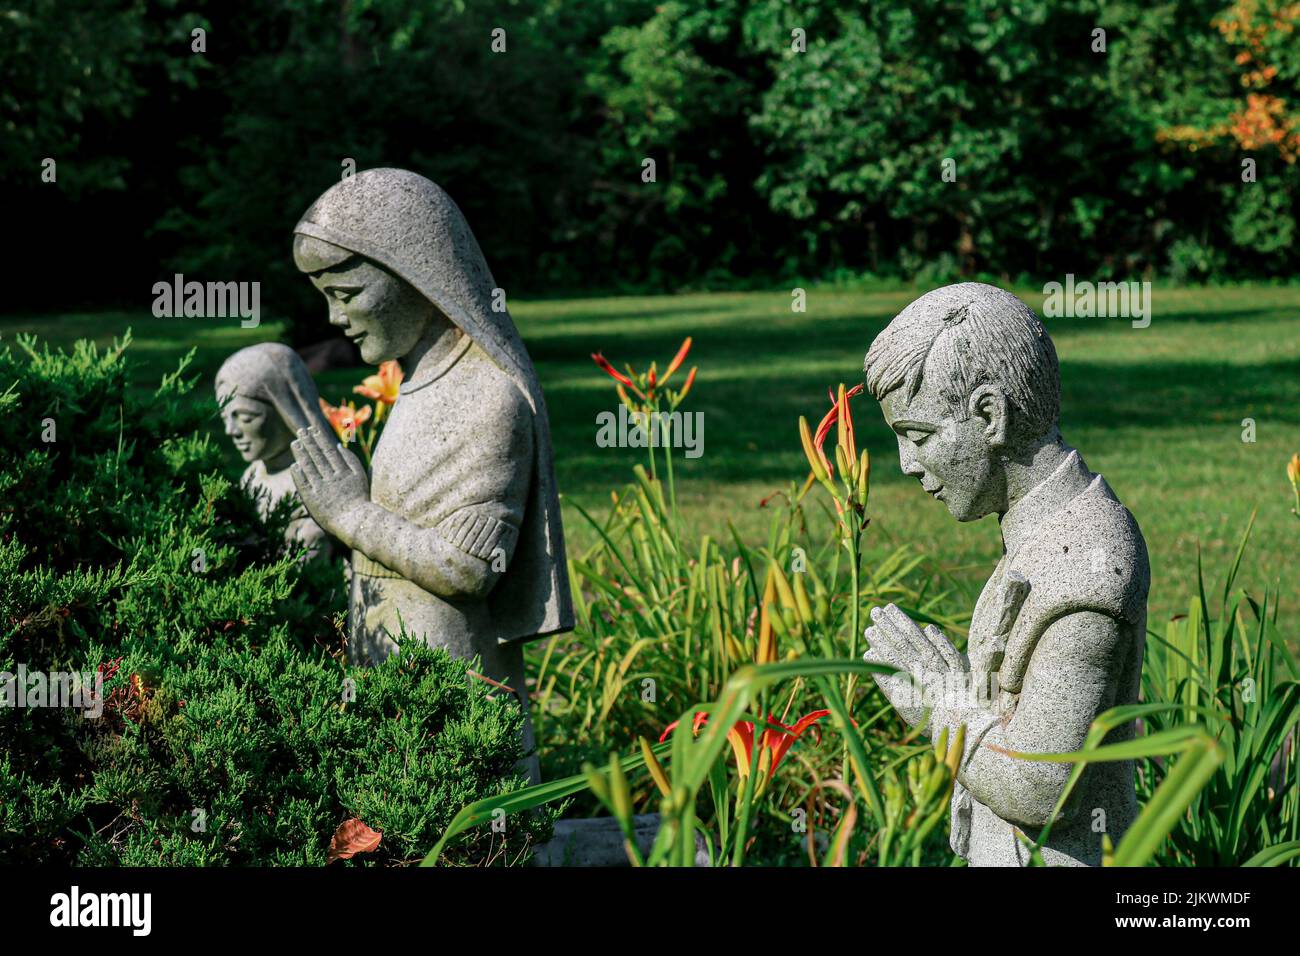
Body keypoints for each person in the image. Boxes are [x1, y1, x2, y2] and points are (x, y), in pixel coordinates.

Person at [286, 169, 573, 777]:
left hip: (451, 698)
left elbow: (470, 569)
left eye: (347, 292)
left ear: (417, 274)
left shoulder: (489, 397)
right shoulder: (417, 384)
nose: (335, 318)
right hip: (390, 672)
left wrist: (350, 515)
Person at [861, 282, 1148, 866]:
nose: (906, 465)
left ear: (989, 416)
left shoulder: (1088, 565)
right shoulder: (1037, 535)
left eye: (918, 436)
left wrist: (937, 703)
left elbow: (1045, 788)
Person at [215, 343, 332, 561]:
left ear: (284, 411)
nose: (231, 431)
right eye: (225, 418)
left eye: (246, 417)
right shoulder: (252, 475)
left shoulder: (320, 483)